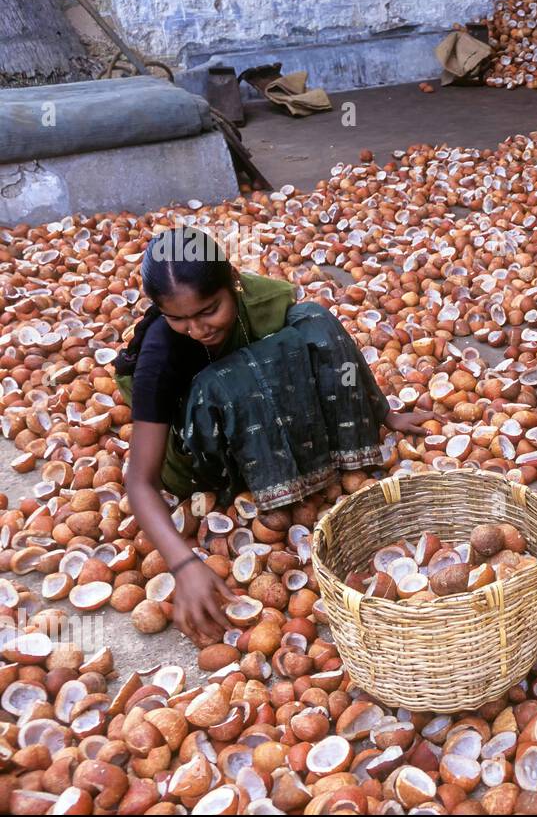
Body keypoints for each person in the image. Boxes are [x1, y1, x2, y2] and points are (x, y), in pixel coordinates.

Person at [115, 227, 435, 642]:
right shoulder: (161, 354)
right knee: (234, 381)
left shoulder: (258, 296)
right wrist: (182, 563)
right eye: (178, 318)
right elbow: (140, 481)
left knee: (314, 320)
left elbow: (326, 342)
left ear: (233, 282)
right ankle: (270, 489)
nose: (197, 329)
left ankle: (328, 462)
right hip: (196, 455)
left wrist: (383, 413)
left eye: (209, 311)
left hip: (252, 407)